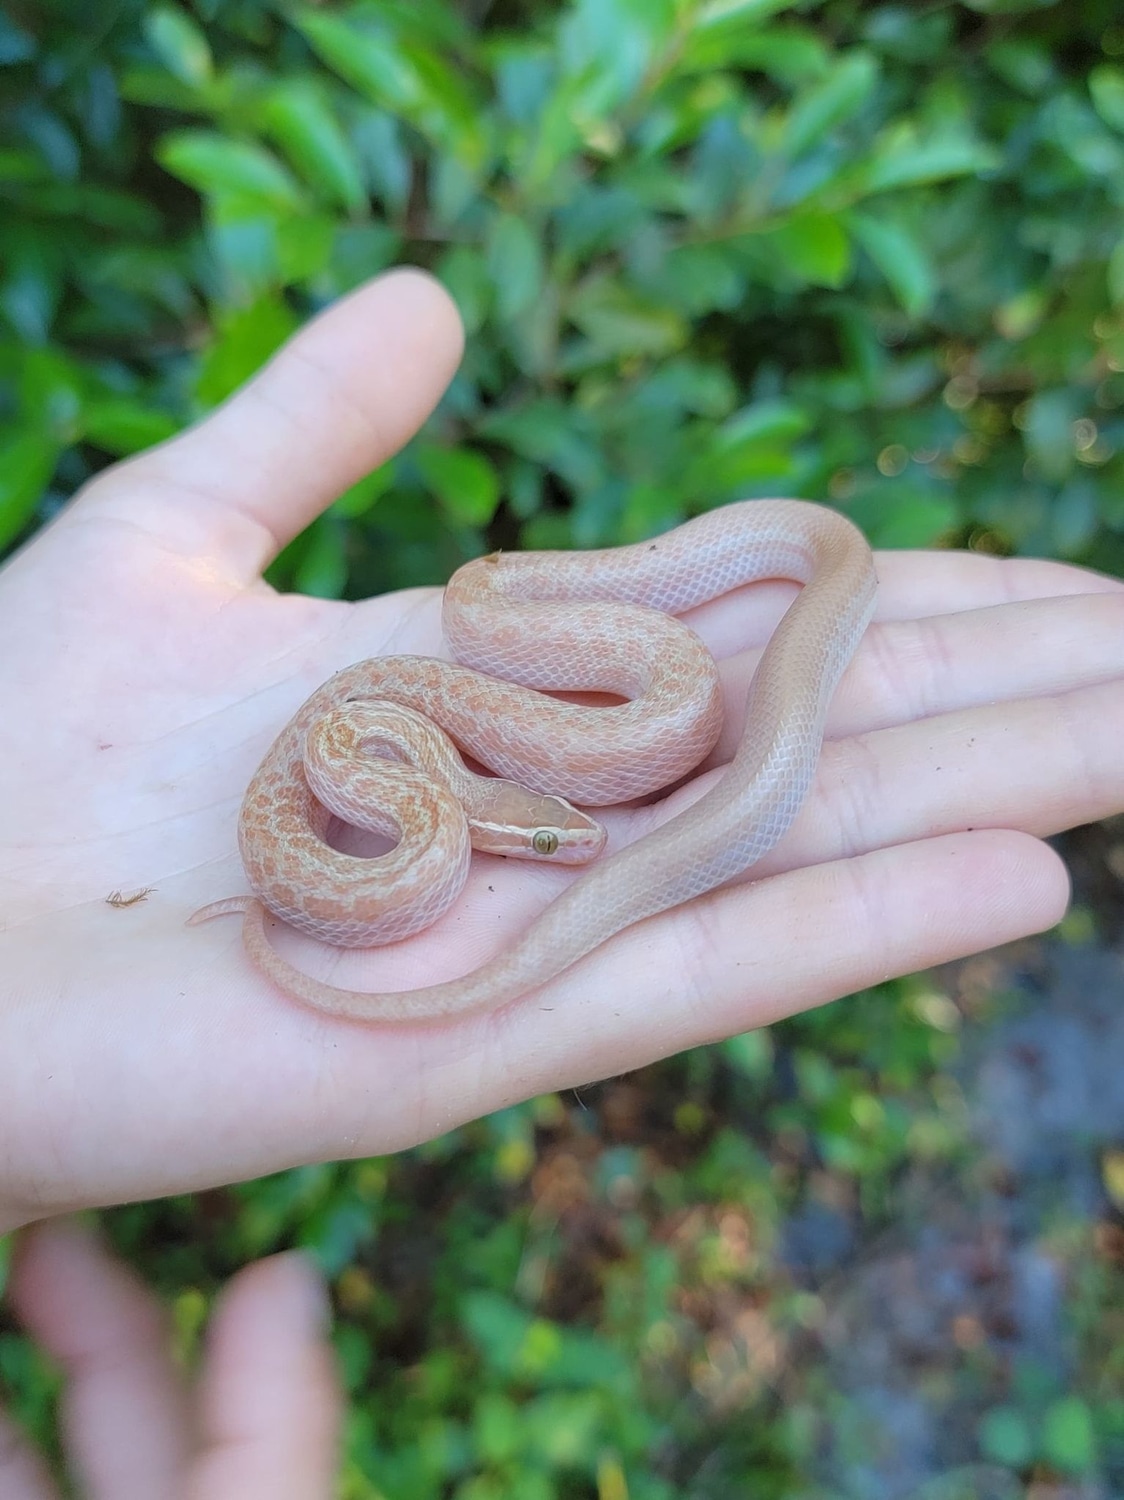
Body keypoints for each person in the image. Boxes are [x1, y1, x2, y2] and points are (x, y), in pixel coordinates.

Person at [1, 268, 1121, 1494]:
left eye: (548, 831)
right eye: (539, 841)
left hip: (567, 688)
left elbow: (546, 807)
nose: (567, 838)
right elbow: (494, 823)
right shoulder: (397, 776)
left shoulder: (455, 717)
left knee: (690, 692)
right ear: (488, 815)